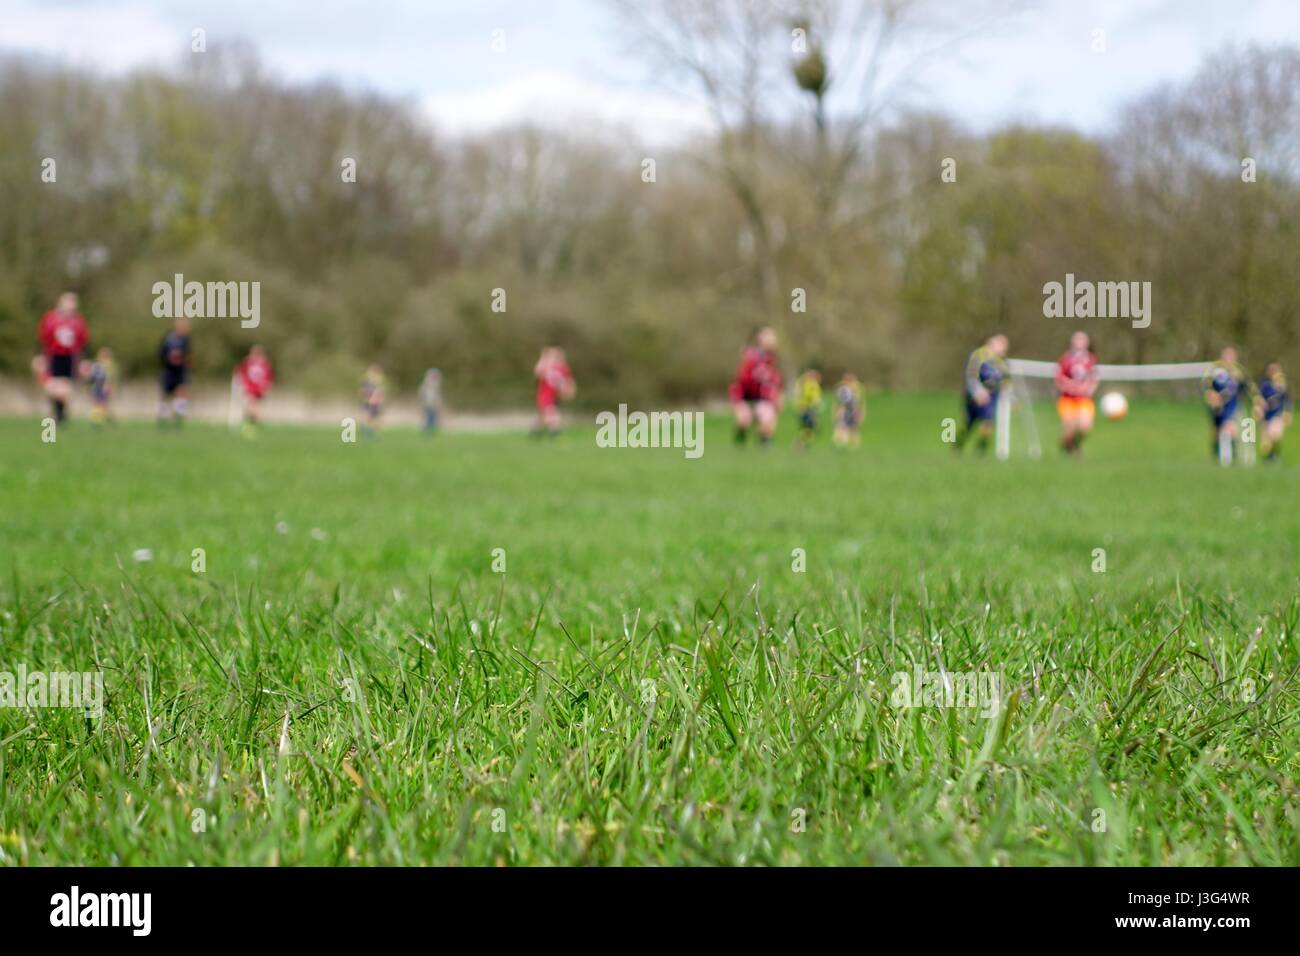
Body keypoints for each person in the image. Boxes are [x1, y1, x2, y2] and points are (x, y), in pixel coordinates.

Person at [35, 292, 89, 424]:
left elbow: (83, 341)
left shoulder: (78, 321)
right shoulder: (51, 318)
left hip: (70, 357)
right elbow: (43, 337)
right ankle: (58, 413)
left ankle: (60, 415)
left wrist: (83, 360)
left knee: (66, 388)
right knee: (52, 386)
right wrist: (40, 355)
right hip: (53, 356)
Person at [955, 333, 1009, 455]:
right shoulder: (979, 355)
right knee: (968, 424)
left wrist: (1012, 399)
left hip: (991, 397)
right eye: (1002, 344)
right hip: (974, 398)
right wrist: (978, 392)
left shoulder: (1002, 361)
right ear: (991, 343)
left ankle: (980, 451)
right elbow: (971, 376)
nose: (1004, 348)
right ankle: (958, 445)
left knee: (988, 423)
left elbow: (1006, 380)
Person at [729, 327, 782, 445]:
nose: (773, 341)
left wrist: (776, 397)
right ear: (760, 339)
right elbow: (740, 380)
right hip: (745, 396)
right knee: (744, 420)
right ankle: (740, 438)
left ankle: (765, 444)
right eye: (769, 337)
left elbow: (775, 381)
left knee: (767, 420)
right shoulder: (751, 357)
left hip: (762, 397)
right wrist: (737, 399)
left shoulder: (773, 359)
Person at [1202, 347, 1255, 466]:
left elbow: (1249, 386)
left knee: (1242, 431)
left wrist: (1257, 401)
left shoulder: (1239, 371)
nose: (1229, 360)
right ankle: (1224, 457)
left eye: (1231, 357)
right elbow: (1206, 385)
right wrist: (1211, 396)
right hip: (1220, 408)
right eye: (1227, 356)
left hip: (1235, 405)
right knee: (1221, 431)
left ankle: (1245, 457)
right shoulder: (1215, 370)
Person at [1055, 330, 1099, 456]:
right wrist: (1071, 387)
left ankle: (1074, 445)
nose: (1080, 343)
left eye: (1083, 340)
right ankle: (1067, 447)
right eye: (1077, 340)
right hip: (1067, 399)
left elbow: (1094, 379)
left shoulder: (1091, 360)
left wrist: (1087, 389)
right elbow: (1059, 379)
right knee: (1069, 429)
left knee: (1085, 427)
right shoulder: (1065, 359)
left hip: (1084, 399)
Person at [157, 317, 192, 428]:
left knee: (181, 393)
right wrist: (169, 360)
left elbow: (187, 355)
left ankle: (177, 422)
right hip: (169, 372)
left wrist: (186, 362)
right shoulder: (169, 338)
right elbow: (160, 353)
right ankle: (162, 420)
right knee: (166, 396)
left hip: (180, 372)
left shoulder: (186, 340)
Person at [533, 347, 574, 437]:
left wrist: (568, 390)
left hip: (555, 396)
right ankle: (554, 432)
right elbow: (538, 372)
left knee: (543, 416)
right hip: (544, 395)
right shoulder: (546, 367)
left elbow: (568, 381)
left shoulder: (563, 368)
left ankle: (535, 432)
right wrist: (543, 358)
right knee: (552, 413)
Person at [1256, 362, 1291, 463]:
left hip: (1277, 414)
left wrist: (1288, 412)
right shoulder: (1264, 384)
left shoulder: (1281, 384)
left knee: (1275, 435)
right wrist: (1259, 408)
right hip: (1266, 415)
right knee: (1265, 441)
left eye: (1276, 370)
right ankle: (1268, 457)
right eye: (1272, 370)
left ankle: (1274, 455)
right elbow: (1257, 398)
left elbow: (1287, 399)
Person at [236, 345, 274, 437]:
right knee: (250, 407)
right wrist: (242, 385)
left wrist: (267, 386)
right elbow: (241, 373)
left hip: (259, 389)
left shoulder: (264, 363)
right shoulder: (247, 362)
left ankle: (252, 425)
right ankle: (250, 426)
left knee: (252, 408)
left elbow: (269, 376)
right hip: (249, 388)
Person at [833, 372, 866, 448]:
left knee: (854, 429)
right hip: (846, 411)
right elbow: (840, 402)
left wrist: (861, 412)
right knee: (843, 428)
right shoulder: (842, 389)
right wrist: (838, 412)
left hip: (853, 411)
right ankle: (840, 444)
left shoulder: (858, 388)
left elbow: (860, 402)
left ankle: (853, 446)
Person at [793, 367, 822, 449]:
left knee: (810, 428)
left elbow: (816, 396)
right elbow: (803, 396)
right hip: (806, 408)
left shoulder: (813, 383)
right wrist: (801, 407)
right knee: (809, 426)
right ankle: (800, 443)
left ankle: (802, 443)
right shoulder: (803, 383)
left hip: (811, 408)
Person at [87, 347, 118, 426]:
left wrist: (110, 387)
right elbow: (93, 377)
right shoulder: (100, 365)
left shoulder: (106, 365)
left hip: (102, 387)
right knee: (99, 404)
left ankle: (102, 419)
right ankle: (98, 420)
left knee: (102, 405)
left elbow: (110, 378)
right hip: (99, 386)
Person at [359, 364, 387, 438]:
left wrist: (380, 401)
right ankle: (368, 433)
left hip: (375, 404)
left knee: (374, 420)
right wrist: (368, 399)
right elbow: (362, 392)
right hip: (368, 403)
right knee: (368, 418)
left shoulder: (378, 382)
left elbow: (381, 393)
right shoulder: (367, 382)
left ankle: (371, 433)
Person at [420, 368, 443, 435]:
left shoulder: (435, 383)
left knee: (432, 418)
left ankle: (429, 430)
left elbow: (437, 396)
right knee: (429, 418)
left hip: (433, 404)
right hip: (428, 404)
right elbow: (423, 394)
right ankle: (427, 430)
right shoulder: (427, 384)